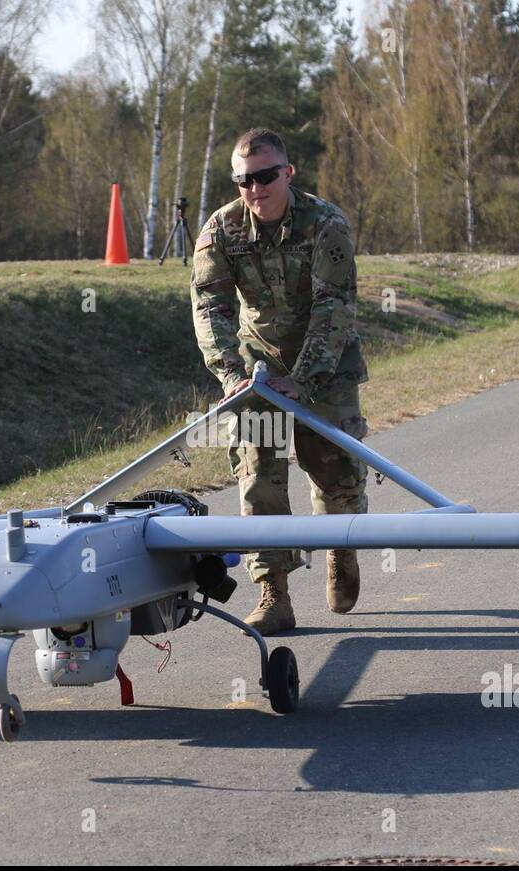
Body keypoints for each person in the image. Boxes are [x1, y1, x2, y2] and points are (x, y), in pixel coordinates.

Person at [190, 127, 368, 636]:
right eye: (244, 179)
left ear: (288, 173)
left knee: (336, 476)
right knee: (258, 477)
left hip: (326, 368)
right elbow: (210, 307)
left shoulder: (327, 223)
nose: (255, 188)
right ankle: (274, 591)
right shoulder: (221, 230)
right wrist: (230, 374)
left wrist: (305, 379)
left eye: (266, 176)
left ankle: (341, 545)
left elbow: (335, 307)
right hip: (257, 370)